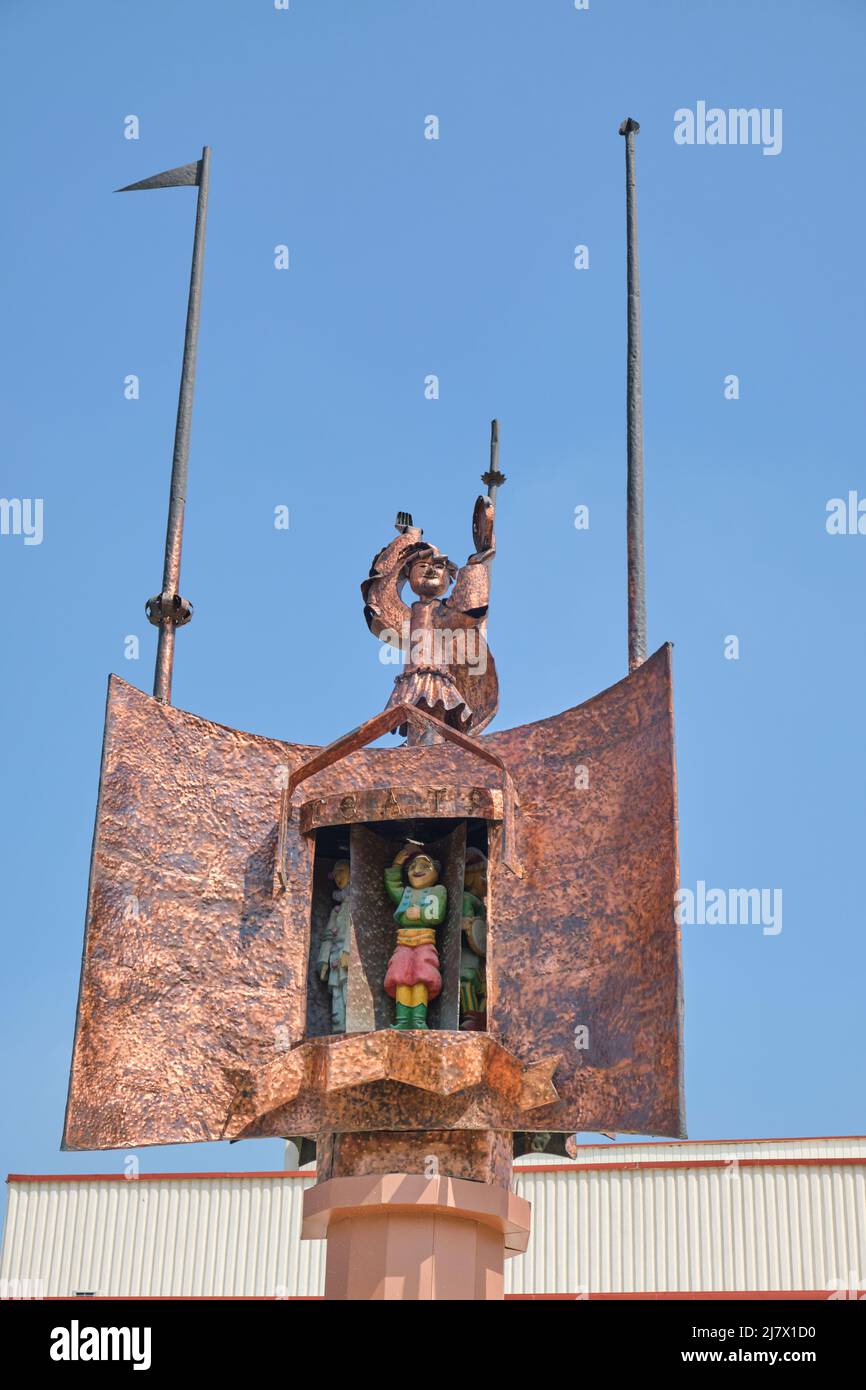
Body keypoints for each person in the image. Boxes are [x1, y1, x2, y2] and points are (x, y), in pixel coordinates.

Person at [383, 844, 446, 1029]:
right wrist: (397, 863)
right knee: (400, 976)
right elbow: (393, 886)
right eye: (412, 867)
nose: (417, 870)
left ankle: (418, 1020)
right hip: (403, 941)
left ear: (436, 872)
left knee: (421, 977)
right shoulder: (406, 894)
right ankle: (403, 1020)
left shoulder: (438, 891)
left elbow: (437, 914)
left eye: (424, 867)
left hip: (425, 941)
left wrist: (419, 914)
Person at [317, 859, 351, 1033]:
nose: (338, 877)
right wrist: (323, 960)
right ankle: (339, 1028)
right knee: (336, 993)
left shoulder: (355, 904)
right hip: (334, 959)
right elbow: (327, 937)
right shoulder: (336, 910)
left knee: (348, 990)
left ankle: (351, 1028)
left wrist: (347, 950)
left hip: (348, 959)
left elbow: (356, 929)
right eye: (335, 873)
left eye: (342, 871)